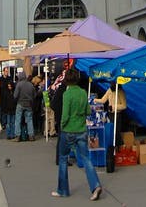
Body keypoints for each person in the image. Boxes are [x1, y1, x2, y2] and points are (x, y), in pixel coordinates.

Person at [52, 67, 102, 201]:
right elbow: (87, 111)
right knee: (86, 159)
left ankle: (63, 189)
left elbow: (65, 115)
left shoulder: (67, 94)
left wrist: (62, 126)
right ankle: (95, 185)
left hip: (68, 130)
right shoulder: (82, 92)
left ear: (66, 80)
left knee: (63, 158)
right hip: (81, 130)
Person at [94, 82, 126, 146]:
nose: (111, 84)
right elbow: (103, 100)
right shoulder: (110, 90)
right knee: (111, 131)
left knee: (116, 131)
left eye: (112, 83)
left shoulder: (121, 91)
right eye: (111, 83)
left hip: (117, 114)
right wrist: (94, 100)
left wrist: (113, 107)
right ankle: (113, 146)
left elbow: (124, 105)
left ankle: (120, 146)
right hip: (110, 114)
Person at [14, 71, 36, 141]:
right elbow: (34, 95)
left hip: (20, 103)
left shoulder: (19, 84)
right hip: (29, 104)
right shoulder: (30, 85)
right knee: (29, 120)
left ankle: (18, 136)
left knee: (18, 120)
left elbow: (15, 95)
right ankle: (31, 135)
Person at [0, 72, 16, 139]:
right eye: (8, 86)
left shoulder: (13, 92)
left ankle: (12, 134)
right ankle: (9, 134)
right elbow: (5, 101)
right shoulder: (7, 92)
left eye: (10, 86)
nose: (9, 87)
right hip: (8, 110)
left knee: (12, 123)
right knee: (9, 123)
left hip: (12, 109)